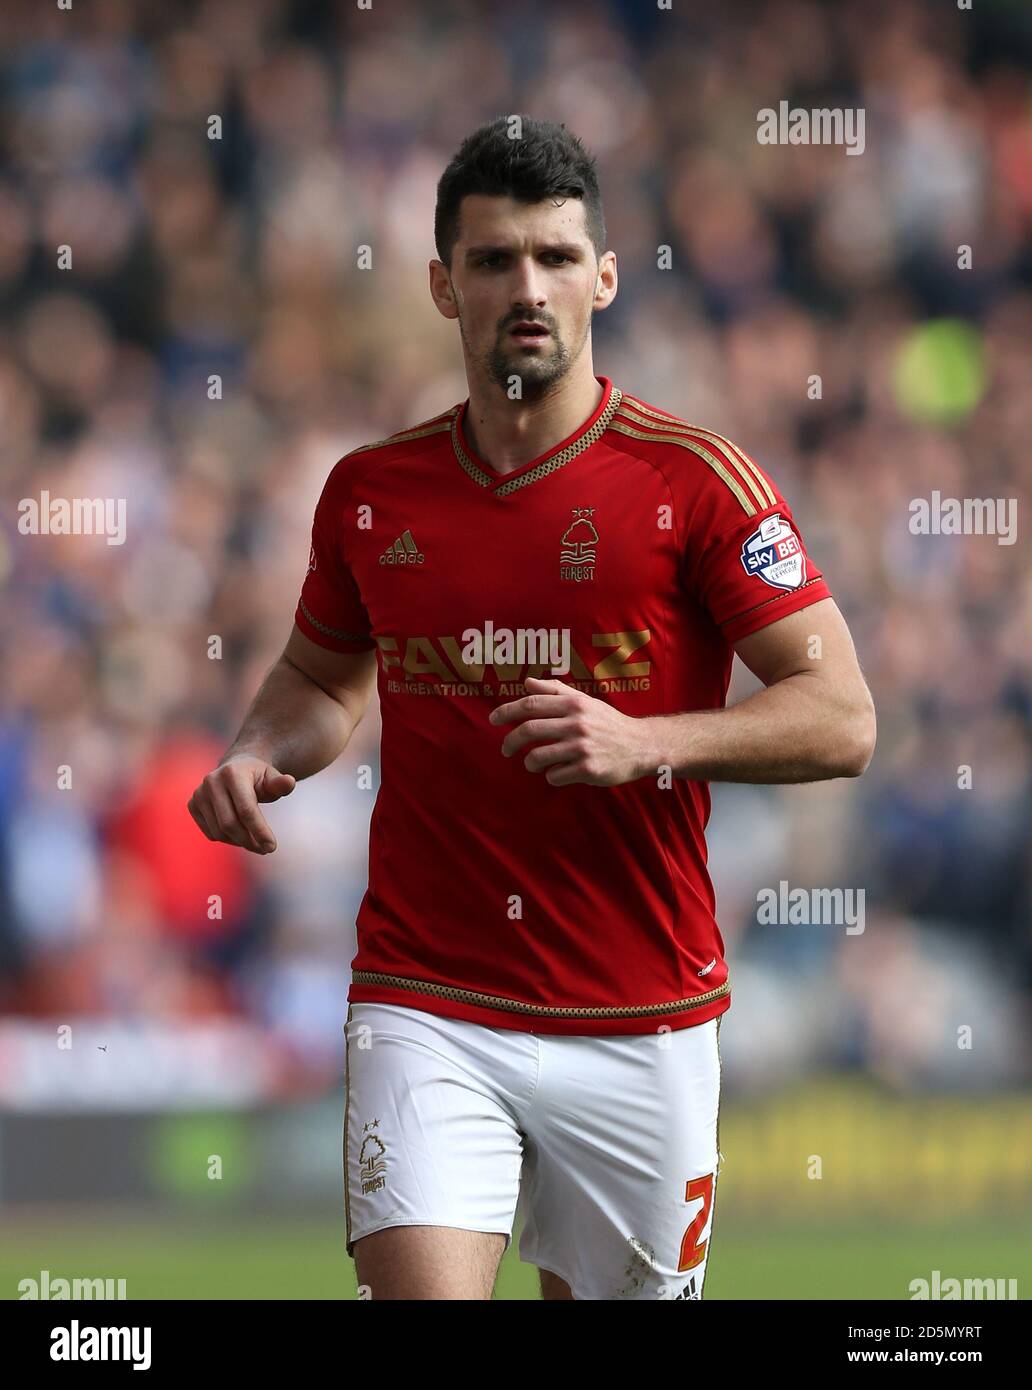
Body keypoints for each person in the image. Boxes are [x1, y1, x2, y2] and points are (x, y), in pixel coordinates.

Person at [187, 116, 876, 1300]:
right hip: (428, 994)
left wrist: (646, 743)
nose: (529, 287)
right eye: (497, 259)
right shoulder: (370, 493)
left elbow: (843, 717)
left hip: (639, 1011)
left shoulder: (695, 483)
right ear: (443, 285)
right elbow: (321, 678)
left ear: (603, 277)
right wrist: (258, 750)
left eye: (558, 257)